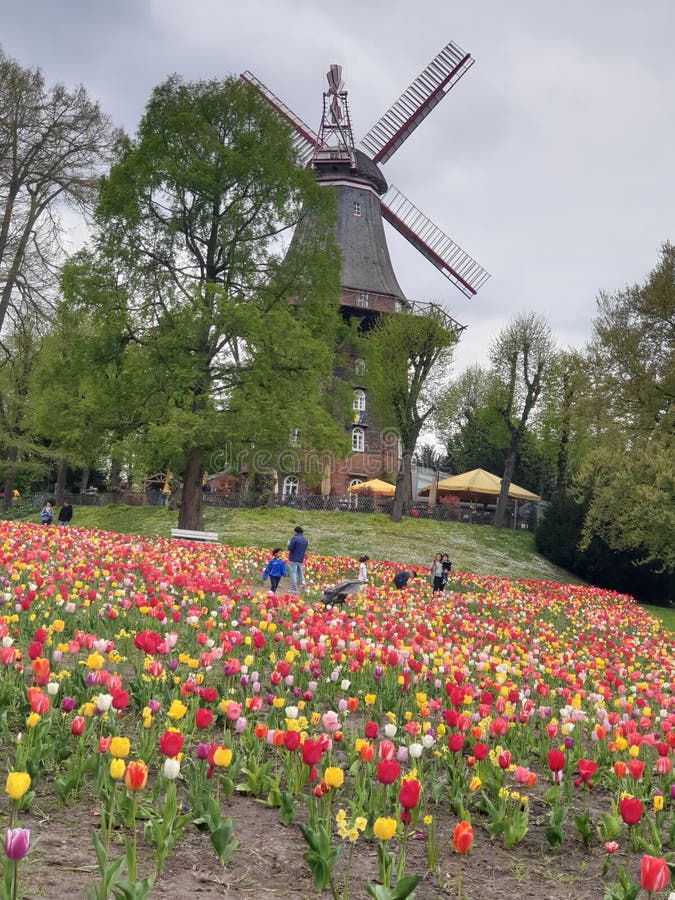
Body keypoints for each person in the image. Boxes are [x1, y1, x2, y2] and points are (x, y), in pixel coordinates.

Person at [287, 525, 308, 593]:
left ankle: (294, 589)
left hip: (293, 558)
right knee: (300, 574)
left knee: (293, 573)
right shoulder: (305, 540)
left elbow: (290, 548)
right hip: (300, 559)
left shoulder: (294, 538)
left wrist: (288, 544)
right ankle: (304, 588)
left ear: (296, 531)